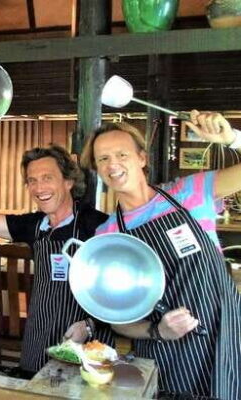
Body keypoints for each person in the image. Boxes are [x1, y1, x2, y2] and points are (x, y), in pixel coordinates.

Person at [81, 111, 241, 399]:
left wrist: (231, 139)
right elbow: (119, 318)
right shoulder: (109, 235)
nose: (112, 164)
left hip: (227, 333)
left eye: (121, 154)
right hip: (167, 354)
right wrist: (159, 331)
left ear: (142, 158)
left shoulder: (190, 193)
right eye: (103, 159)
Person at [0, 144, 113, 373]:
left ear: (68, 182)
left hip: (88, 341)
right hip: (39, 337)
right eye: (32, 180)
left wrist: (89, 326)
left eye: (47, 178)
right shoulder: (35, 224)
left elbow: (118, 295)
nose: (39, 187)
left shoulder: (99, 225)